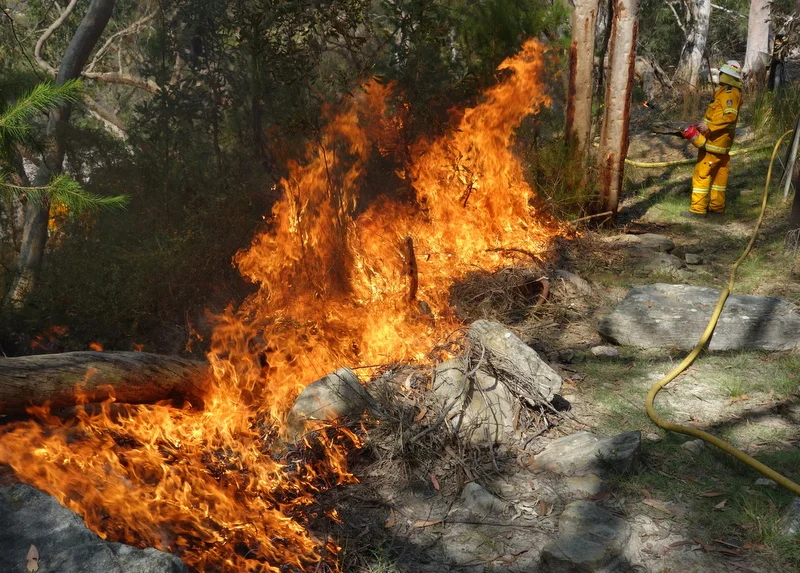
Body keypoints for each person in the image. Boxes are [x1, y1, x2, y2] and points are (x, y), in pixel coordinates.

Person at [682, 60, 743, 218]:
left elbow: (729, 116)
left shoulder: (729, 93)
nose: (720, 75)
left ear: (728, 76)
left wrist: (710, 128)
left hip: (714, 143)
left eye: (722, 73)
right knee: (719, 178)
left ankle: (698, 210)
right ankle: (717, 208)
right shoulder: (727, 91)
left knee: (702, 174)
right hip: (721, 145)